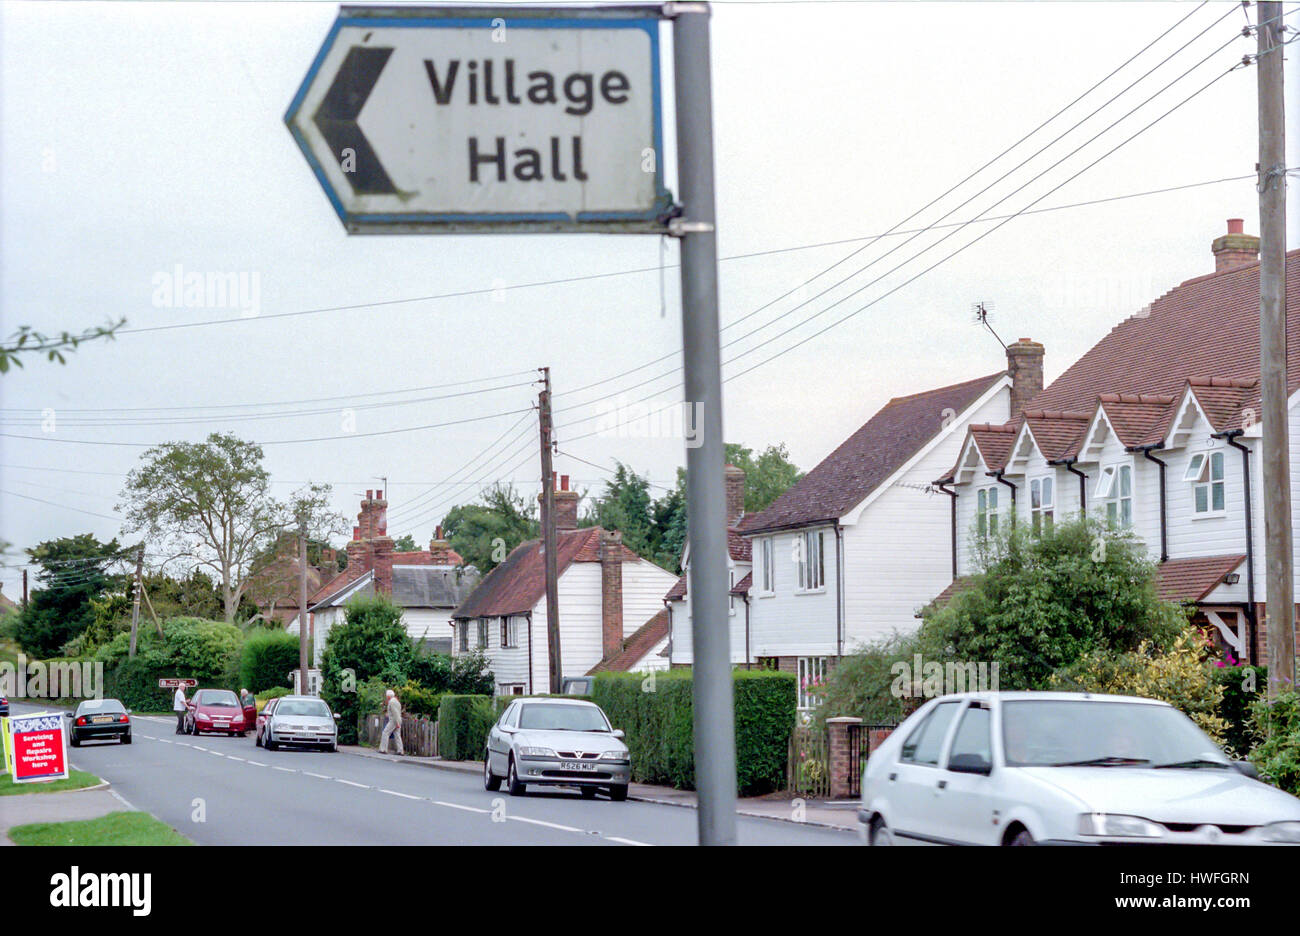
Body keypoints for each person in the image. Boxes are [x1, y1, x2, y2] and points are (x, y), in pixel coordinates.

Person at [379, 688, 404, 755]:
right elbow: (397, 712)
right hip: (398, 719)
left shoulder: (391, 702)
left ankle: (383, 749)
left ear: (388, 696)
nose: (386, 697)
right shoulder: (397, 701)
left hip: (393, 720)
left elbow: (395, 712)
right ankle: (400, 750)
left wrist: (397, 723)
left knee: (385, 732)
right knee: (397, 735)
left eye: (386, 696)